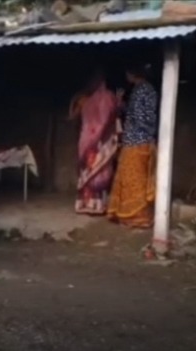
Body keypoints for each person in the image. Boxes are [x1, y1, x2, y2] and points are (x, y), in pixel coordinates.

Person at [107, 64, 159, 228]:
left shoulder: (140, 91)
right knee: (139, 179)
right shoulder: (149, 90)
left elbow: (139, 118)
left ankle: (135, 217)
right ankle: (139, 216)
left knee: (132, 180)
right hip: (143, 141)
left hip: (135, 142)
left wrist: (125, 116)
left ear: (132, 73)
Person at [69, 68, 120, 215]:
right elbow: (108, 119)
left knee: (86, 172)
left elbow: (76, 118)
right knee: (100, 172)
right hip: (100, 142)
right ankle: (97, 206)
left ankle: (84, 204)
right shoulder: (109, 97)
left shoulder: (85, 100)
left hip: (85, 141)